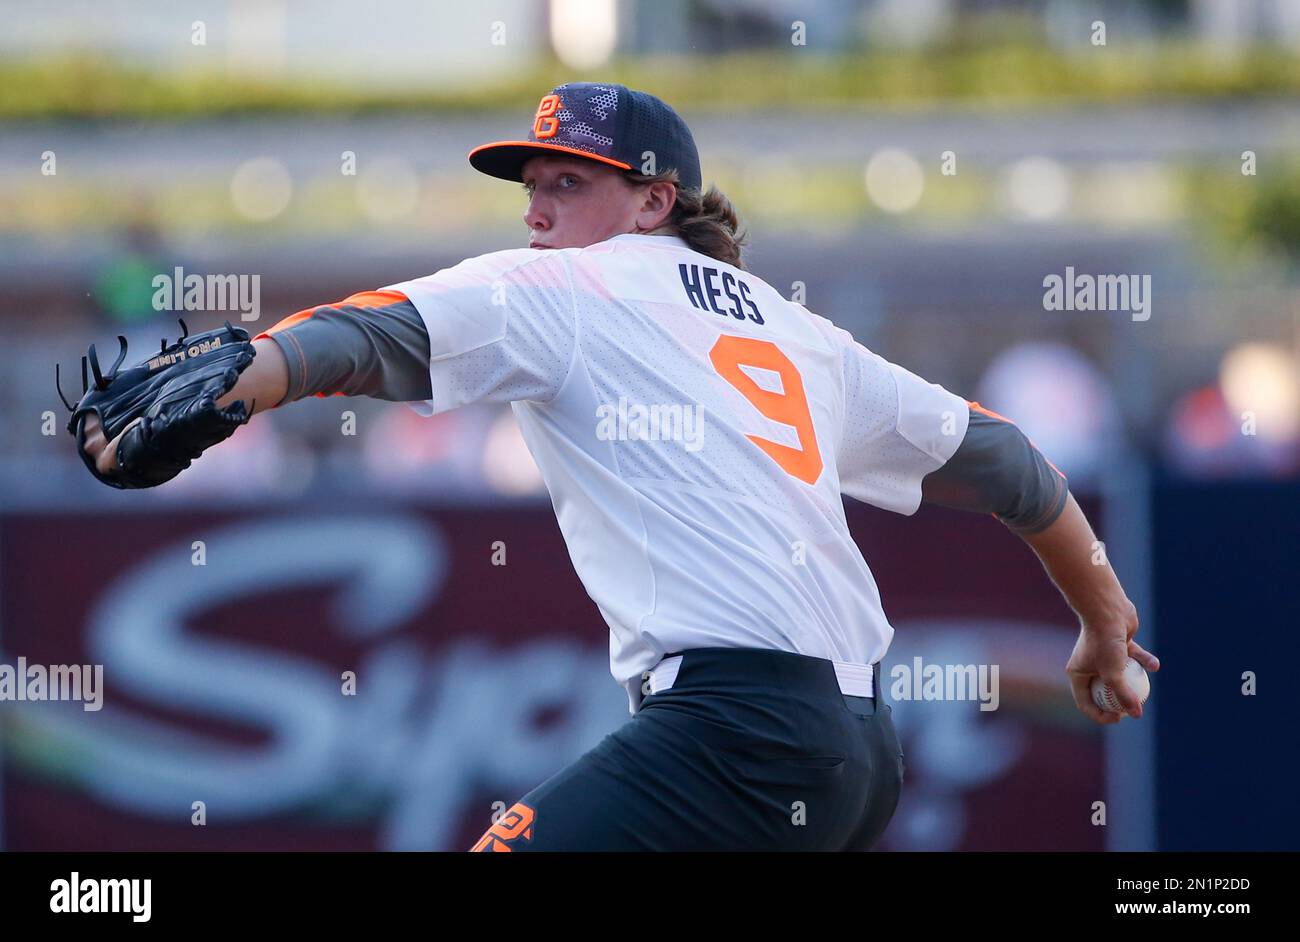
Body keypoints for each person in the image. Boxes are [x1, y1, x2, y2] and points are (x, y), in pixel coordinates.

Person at [80, 82, 1158, 851]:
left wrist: (240, 378)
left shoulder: (572, 289)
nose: (537, 211)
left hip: (733, 733)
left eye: (568, 182)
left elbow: (371, 334)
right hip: (857, 754)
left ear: (655, 201)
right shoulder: (797, 333)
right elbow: (1011, 461)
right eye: (529, 188)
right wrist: (1104, 624)